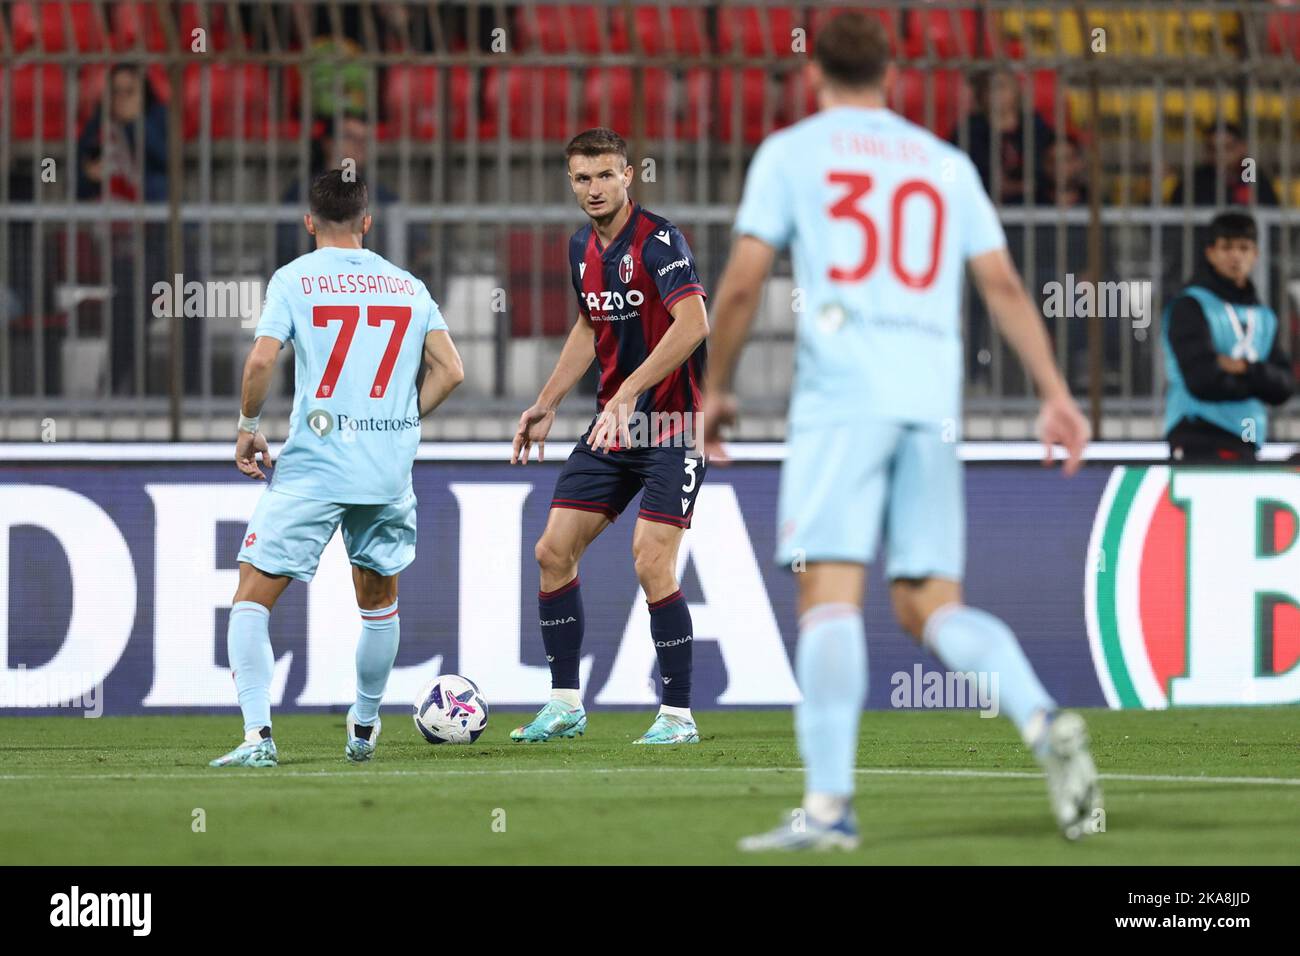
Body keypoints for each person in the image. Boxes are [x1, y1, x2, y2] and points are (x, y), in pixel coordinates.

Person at [702, 11, 1101, 850]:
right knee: (928, 602)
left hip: (845, 399)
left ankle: (829, 810)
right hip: (932, 399)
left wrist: (718, 388)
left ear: (814, 76)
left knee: (828, 593)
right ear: (894, 75)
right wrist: (1056, 392)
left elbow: (740, 287)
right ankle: (1041, 719)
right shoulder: (944, 162)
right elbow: (1001, 284)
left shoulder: (794, 152)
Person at [210, 170, 464, 768]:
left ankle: (257, 739)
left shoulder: (294, 279)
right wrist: (404, 421)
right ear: (367, 222)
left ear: (308, 222)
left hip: (315, 467)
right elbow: (451, 370)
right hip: (384, 470)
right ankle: (365, 726)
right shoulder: (407, 285)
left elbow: (261, 360)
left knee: (251, 597)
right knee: (378, 602)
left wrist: (248, 428)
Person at [508, 127, 710, 746]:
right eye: (581, 178)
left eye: (604, 175)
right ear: (570, 183)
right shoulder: (579, 249)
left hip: (670, 425)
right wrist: (546, 401)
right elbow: (586, 325)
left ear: (628, 176)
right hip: (612, 427)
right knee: (551, 552)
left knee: (652, 561)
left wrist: (630, 390)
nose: (593, 188)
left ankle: (678, 715)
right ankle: (566, 703)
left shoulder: (657, 241)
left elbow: (694, 322)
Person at [1164, 210, 1294, 462]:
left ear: (1256, 254)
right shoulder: (1190, 306)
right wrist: (1260, 382)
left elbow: (1285, 387)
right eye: (1227, 247)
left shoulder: (1264, 316)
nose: (1236, 256)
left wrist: (1243, 367)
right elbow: (1202, 381)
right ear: (1210, 253)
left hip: (1247, 441)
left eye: (1244, 248)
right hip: (1198, 436)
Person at [1170, 123, 1280, 207]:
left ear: (1242, 147)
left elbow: (1271, 213)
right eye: (1213, 148)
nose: (1220, 154)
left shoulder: (1256, 179)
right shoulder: (1192, 181)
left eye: (1227, 147)